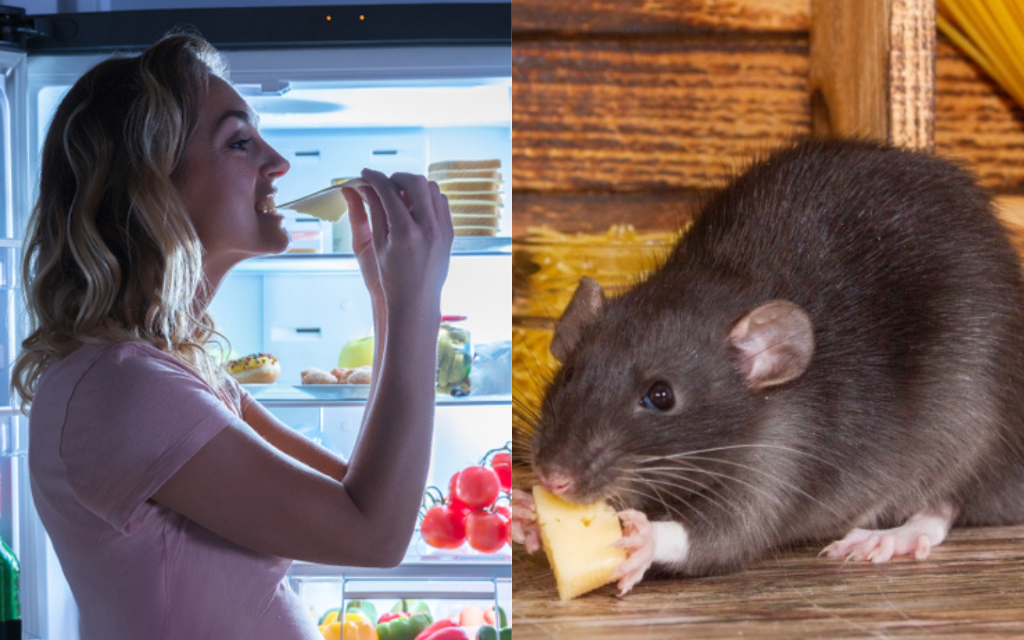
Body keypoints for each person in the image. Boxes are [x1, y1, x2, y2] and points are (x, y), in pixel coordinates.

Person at [12, 32, 453, 639]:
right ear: (152, 189)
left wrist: (385, 295)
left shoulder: (177, 373)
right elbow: (375, 533)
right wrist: (415, 304)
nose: (279, 162)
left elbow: (357, 492)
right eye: (240, 142)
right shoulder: (123, 387)